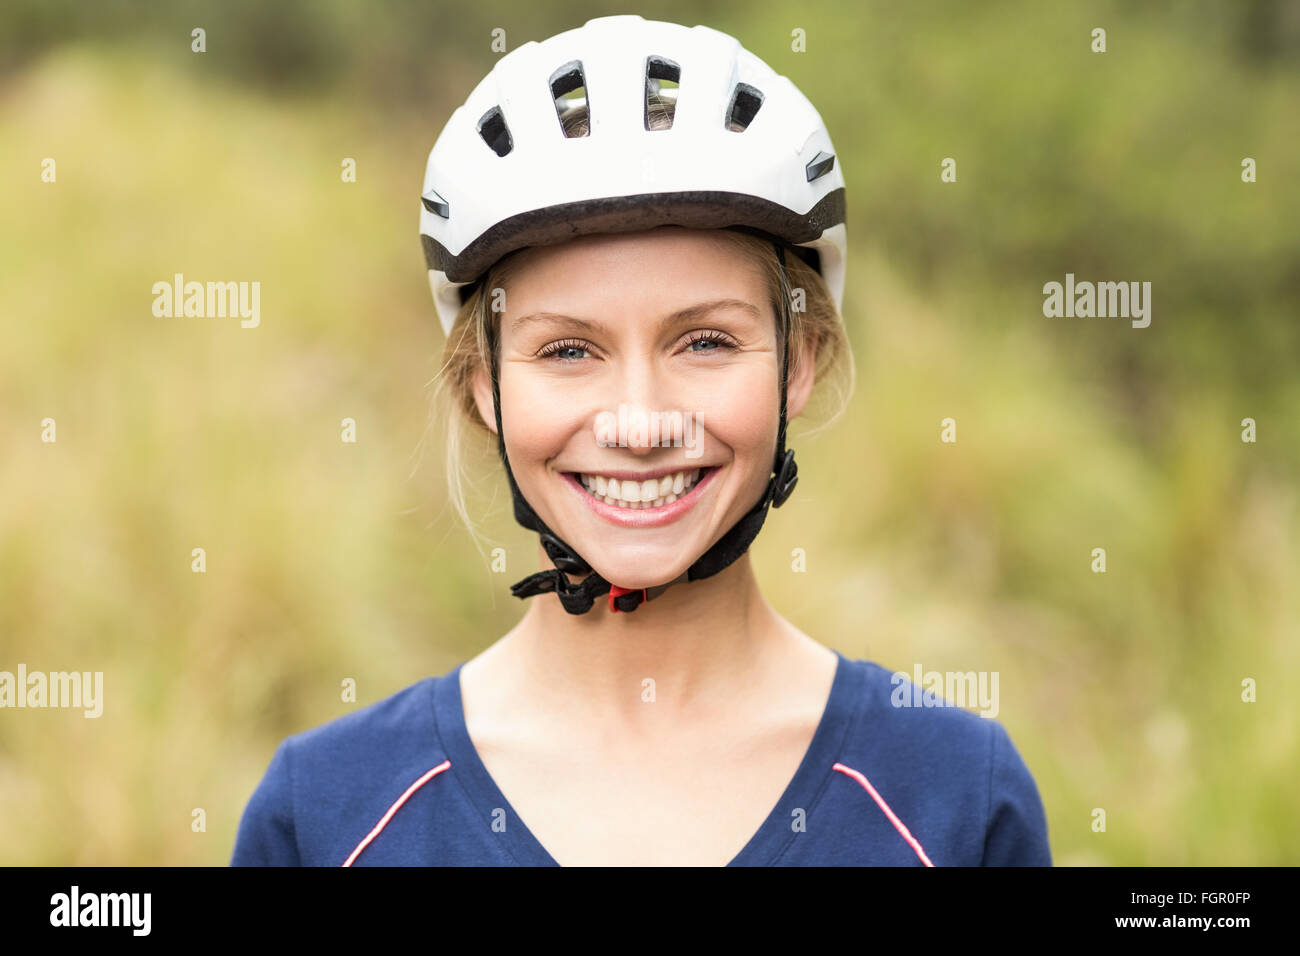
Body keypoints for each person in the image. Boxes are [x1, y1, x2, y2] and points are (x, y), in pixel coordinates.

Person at [230, 14, 1051, 866]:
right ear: (486, 386)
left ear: (799, 361)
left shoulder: (953, 798)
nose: (639, 422)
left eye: (704, 342)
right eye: (569, 351)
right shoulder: (328, 814)